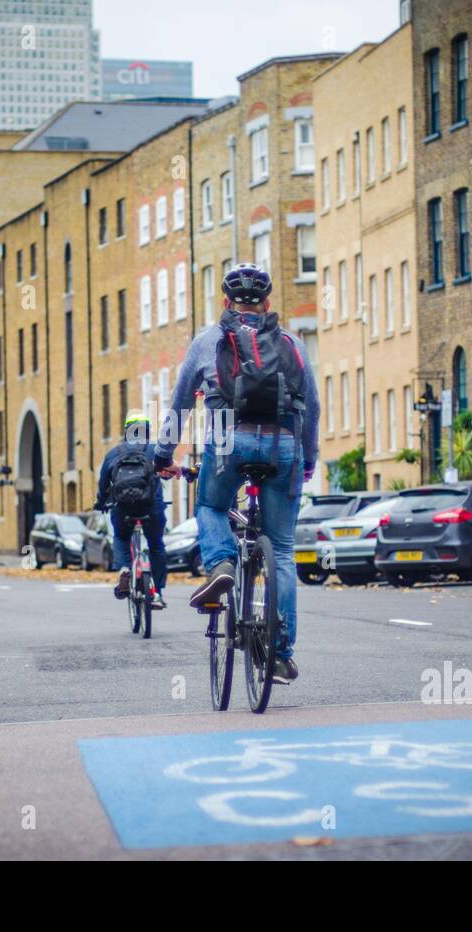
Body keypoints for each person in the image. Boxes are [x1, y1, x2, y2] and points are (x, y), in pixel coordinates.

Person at [155, 264, 320, 682]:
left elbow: (180, 408)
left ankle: (222, 563)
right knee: (281, 551)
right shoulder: (291, 345)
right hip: (284, 440)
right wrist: (307, 458)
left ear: (225, 303)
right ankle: (280, 655)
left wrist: (162, 454)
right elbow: (312, 407)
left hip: (227, 438)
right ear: (267, 303)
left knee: (210, 504)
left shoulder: (208, 342)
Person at [95, 414, 168, 609]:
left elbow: (103, 483)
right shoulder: (155, 451)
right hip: (152, 508)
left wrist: (101, 501)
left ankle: (125, 569)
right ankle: (158, 593)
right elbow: (167, 473)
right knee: (157, 546)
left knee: (120, 537)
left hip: (123, 508)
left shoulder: (114, 453)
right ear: (147, 430)